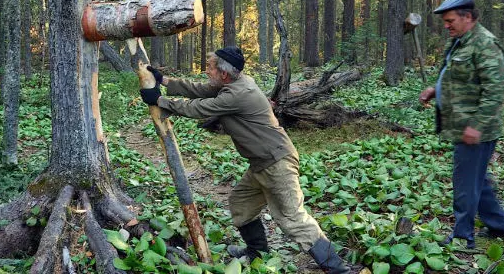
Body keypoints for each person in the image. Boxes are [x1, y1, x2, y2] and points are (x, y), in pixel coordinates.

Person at [140, 46, 354, 273]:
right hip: (262, 163)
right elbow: (201, 89)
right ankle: (258, 252)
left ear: (224, 74)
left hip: (276, 161)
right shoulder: (232, 83)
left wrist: (161, 101)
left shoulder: (238, 94)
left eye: (210, 68)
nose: (206, 71)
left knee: (293, 219)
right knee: (241, 204)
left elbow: (201, 108)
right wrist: (164, 81)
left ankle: (338, 269)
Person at [419, 0, 504, 249]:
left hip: (475, 129)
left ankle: (463, 237)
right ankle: (501, 225)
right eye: (445, 21)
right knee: (478, 181)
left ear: (467, 17)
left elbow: (495, 90)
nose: (446, 25)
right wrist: (435, 90)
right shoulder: (462, 41)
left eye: (450, 20)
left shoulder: (485, 44)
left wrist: (476, 125)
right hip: (463, 125)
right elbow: (460, 78)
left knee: (465, 184)